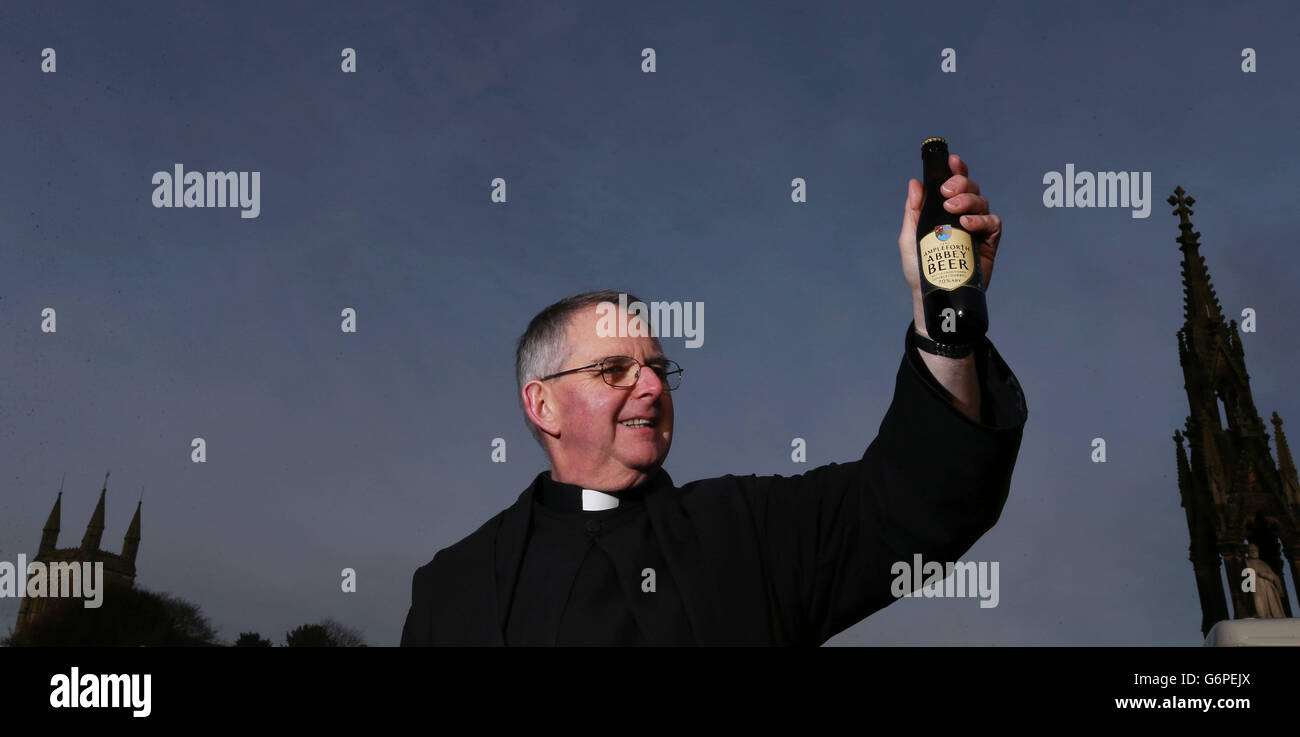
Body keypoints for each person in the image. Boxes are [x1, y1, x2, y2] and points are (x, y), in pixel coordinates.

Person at [401, 154, 1028, 645]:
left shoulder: (753, 533)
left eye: (656, 368)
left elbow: (917, 500)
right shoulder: (452, 589)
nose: (651, 385)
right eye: (614, 370)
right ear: (542, 405)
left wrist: (942, 317)